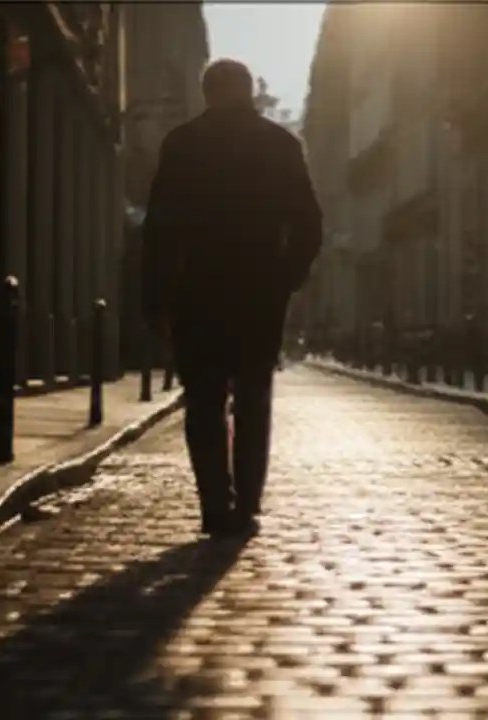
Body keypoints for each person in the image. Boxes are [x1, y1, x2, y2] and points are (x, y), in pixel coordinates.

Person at [141, 59, 322, 537]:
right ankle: (247, 503)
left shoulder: (181, 144)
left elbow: (158, 229)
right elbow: (308, 222)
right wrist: (288, 276)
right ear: (248, 93)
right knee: (253, 397)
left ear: (206, 93)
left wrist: (155, 298)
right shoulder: (280, 144)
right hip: (259, 291)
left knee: (203, 400)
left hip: (197, 290)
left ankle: (214, 504)